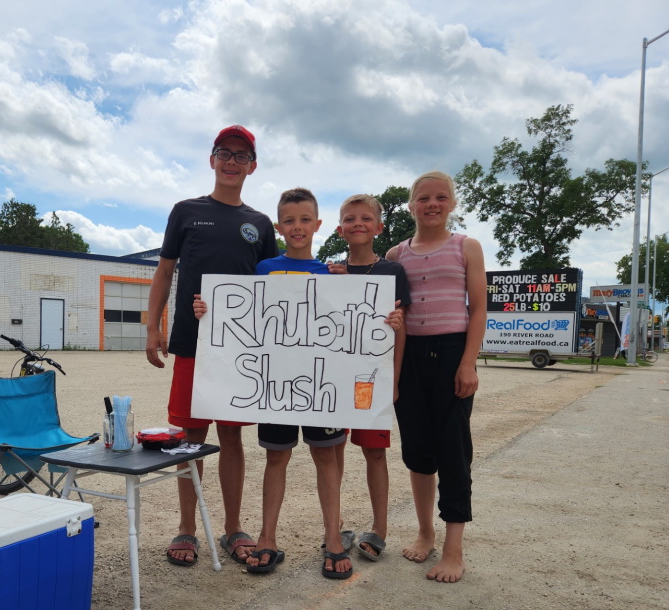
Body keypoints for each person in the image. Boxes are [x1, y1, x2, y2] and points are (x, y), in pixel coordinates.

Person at [196, 187, 352, 578]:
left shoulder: (333, 275)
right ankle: (268, 537)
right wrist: (209, 309)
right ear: (278, 226)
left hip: (319, 384)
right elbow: (244, 317)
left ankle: (333, 538)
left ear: (317, 225)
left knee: (326, 457)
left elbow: (351, 327)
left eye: (304, 220)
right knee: (276, 457)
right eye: (289, 221)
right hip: (275, 385)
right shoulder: (263, 270)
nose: (297, 227)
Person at [146, 125, 278, 567]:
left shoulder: (259, 224)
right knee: (190, 439)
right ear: (212, 159)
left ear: (252, 167)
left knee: (233, 437)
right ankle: (187, 528)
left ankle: (232, 528)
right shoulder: (186, 212)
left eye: (242, 156)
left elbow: (274, 288)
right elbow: (164, 273)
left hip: (239, 351)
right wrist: (153, 327)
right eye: (225, 153)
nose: (232, 162)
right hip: (192, 343)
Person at [385, 171, 487, 583]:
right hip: (409, 358)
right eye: (423, 198)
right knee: (418, 451)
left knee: (454, 452)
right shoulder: (396, 255)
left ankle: (453, 548)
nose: (432, 204)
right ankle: (425, 532)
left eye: (440, 197)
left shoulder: (467, 247)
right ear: (410, 205)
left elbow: (478, 309)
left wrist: (467, 363)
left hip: (451, 355)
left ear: (452, 204)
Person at [331, 194, 411, 563]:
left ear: (378, 228)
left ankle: (379, 529)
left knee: (374, 452)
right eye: (350, 219)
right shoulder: (328, 273)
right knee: (331, 452)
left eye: (365, 218)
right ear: (340, 228)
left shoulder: (392, 273)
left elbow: (400, 328)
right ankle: (335, 526)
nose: (357, 224)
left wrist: (393, 379)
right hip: (331, 378)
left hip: (371, 379)